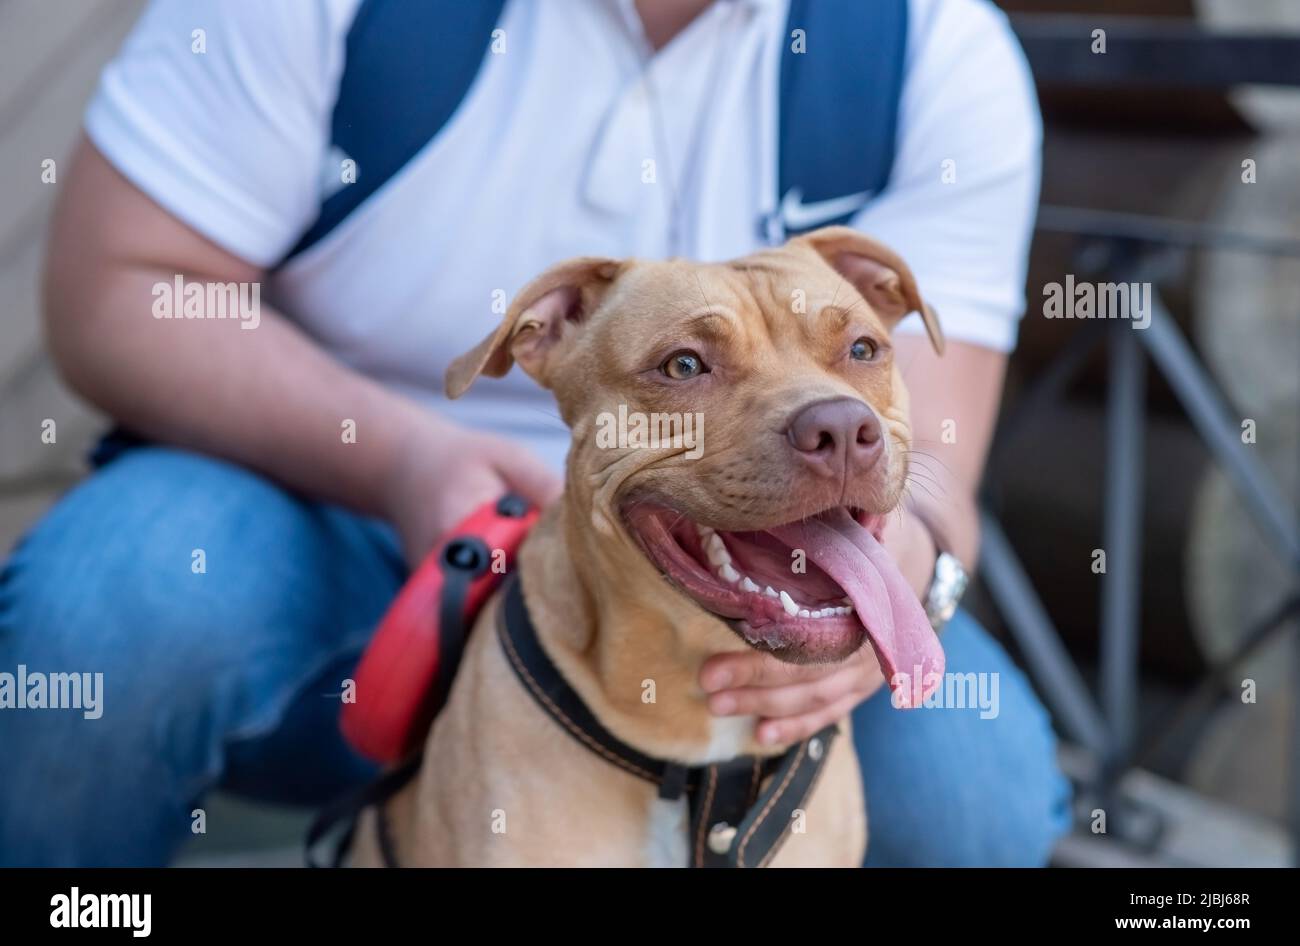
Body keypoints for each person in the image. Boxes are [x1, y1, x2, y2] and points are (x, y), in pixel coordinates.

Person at [0, 0, 1070, 865]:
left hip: (771, 554)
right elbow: (118, 288)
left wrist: (905, 593)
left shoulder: (930, 46)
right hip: (331, 510)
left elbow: (928, 460)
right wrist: (400, 460)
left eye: (852, 349)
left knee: (974, 793)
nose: (829, 399)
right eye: (690, 365)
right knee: (109, 613)